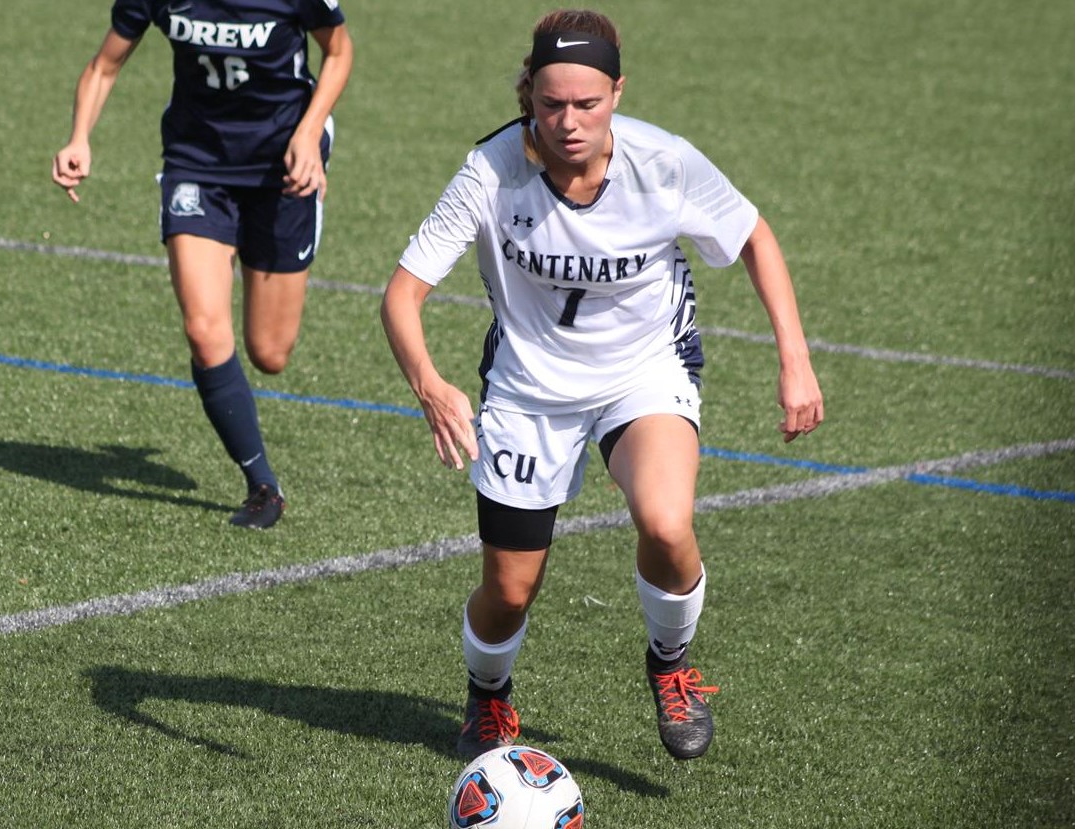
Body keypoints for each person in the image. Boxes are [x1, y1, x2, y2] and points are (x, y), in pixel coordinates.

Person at [380, 8, 823, 761]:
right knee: (510, 591)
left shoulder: (665, 163)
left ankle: (671, 665)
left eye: (587, 103)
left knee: (666, 521)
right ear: (530, 97)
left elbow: (753, 234)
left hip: (643, 370)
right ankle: (488, 696)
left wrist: (795, 356)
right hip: (527, 391)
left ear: (618, 91)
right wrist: (428, 381)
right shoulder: (490, 172)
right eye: (551, 104)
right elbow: (401, 293)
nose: (569, 120)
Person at [52, 0, 354, 529]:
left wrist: (309, 133)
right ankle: (262, 485)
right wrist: (79, 136)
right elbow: (104, 65)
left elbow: (338, 50)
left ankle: (303, 169)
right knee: (203, 328)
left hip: (282, 164)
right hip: (197, 164)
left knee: (270, 352)